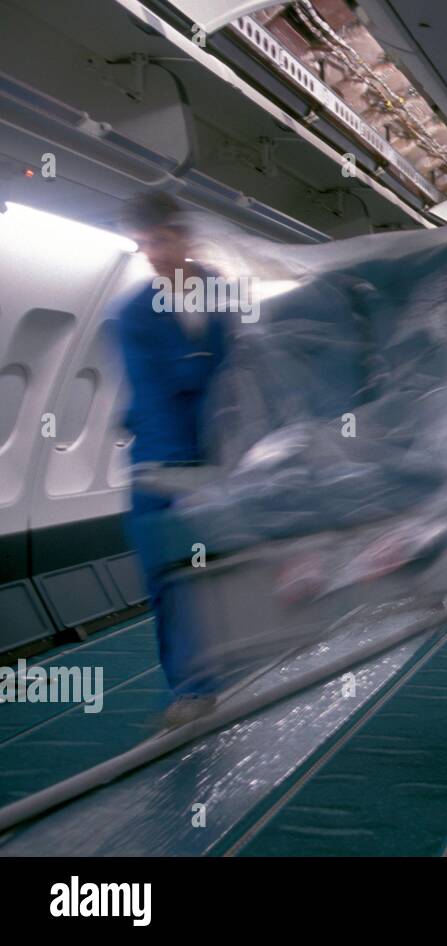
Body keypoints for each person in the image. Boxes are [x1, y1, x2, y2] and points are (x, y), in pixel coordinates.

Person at [113, 193, 229, 724]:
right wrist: (175, 473)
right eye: (143, 244)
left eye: (160, 239)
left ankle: (213, 670)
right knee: (168, 576)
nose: (152, 253)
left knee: (213, 575)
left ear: (185, 236)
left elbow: (244, 380)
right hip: (160, 467)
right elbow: (152, 396)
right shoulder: (134, 314)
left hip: (219, 459)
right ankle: (191, 688)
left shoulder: (224, 298)